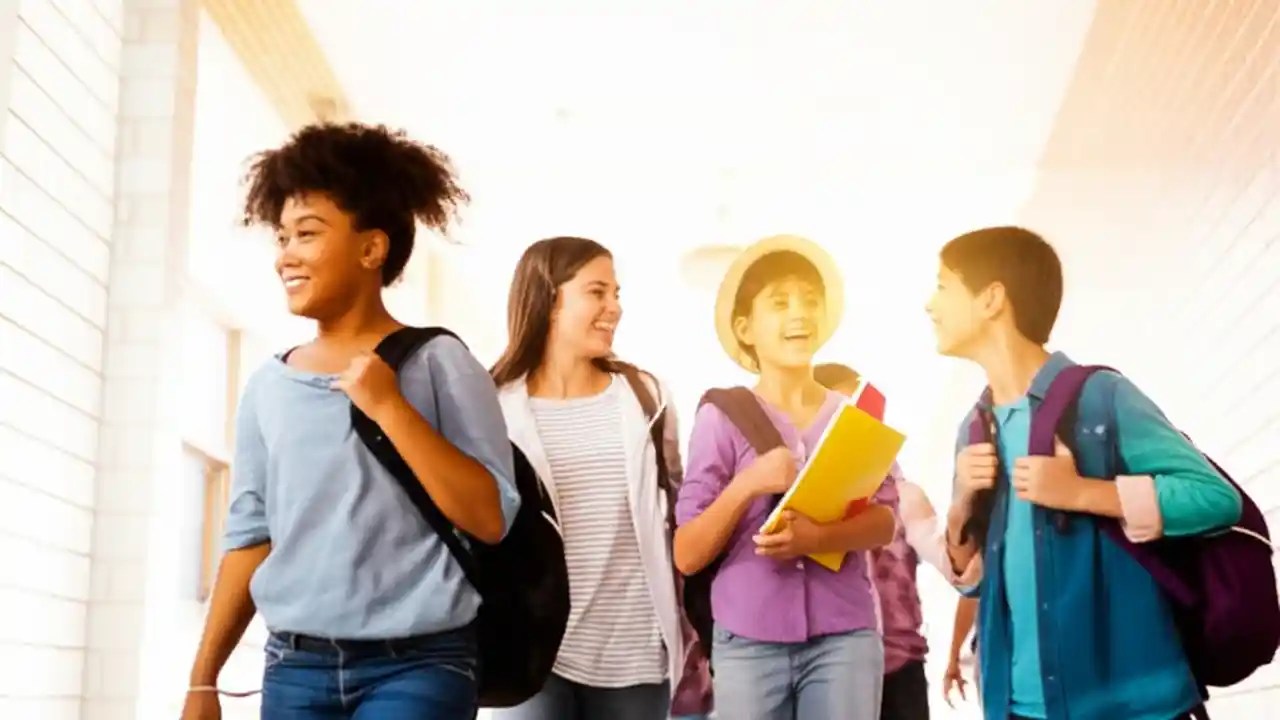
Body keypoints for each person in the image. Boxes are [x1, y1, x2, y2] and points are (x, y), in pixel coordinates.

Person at [180, 122, 522, 720]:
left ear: (372, 248)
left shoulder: (440, 363)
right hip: (293, 668)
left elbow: (490, 516)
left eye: (307, 234)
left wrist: (391, 407)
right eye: (282, 236)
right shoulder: (268, 387)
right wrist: (203, 682)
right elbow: (249, 538)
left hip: (419, 665)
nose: (286, 253)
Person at [930, 226, 1242, 720]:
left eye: (943, 286)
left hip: (1136, 706)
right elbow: (975, 582)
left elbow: (1215, 498)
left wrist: (1082, 492)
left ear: (991, 299)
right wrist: (960, 511)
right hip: (1020, 707)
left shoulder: (1100, 397)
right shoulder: (975, 428)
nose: (931, 305)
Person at [673, 235, 897, 719]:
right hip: (748, 643)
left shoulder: (854, 417)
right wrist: (748, 484)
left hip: (846, 639)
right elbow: (687, 553)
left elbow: (884, 523)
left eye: (810, 301)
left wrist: (819, 537)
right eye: (780, 302)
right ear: (744, 328)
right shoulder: (721, 417)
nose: (800, 313)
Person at [489, 236, 710, 720]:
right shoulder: (492, 405)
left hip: (634, 655)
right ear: (549, 298)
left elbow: (676, 501)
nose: (614, 307)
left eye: (616, 294)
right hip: (534, 652)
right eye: (597, 292)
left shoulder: (645, 396)